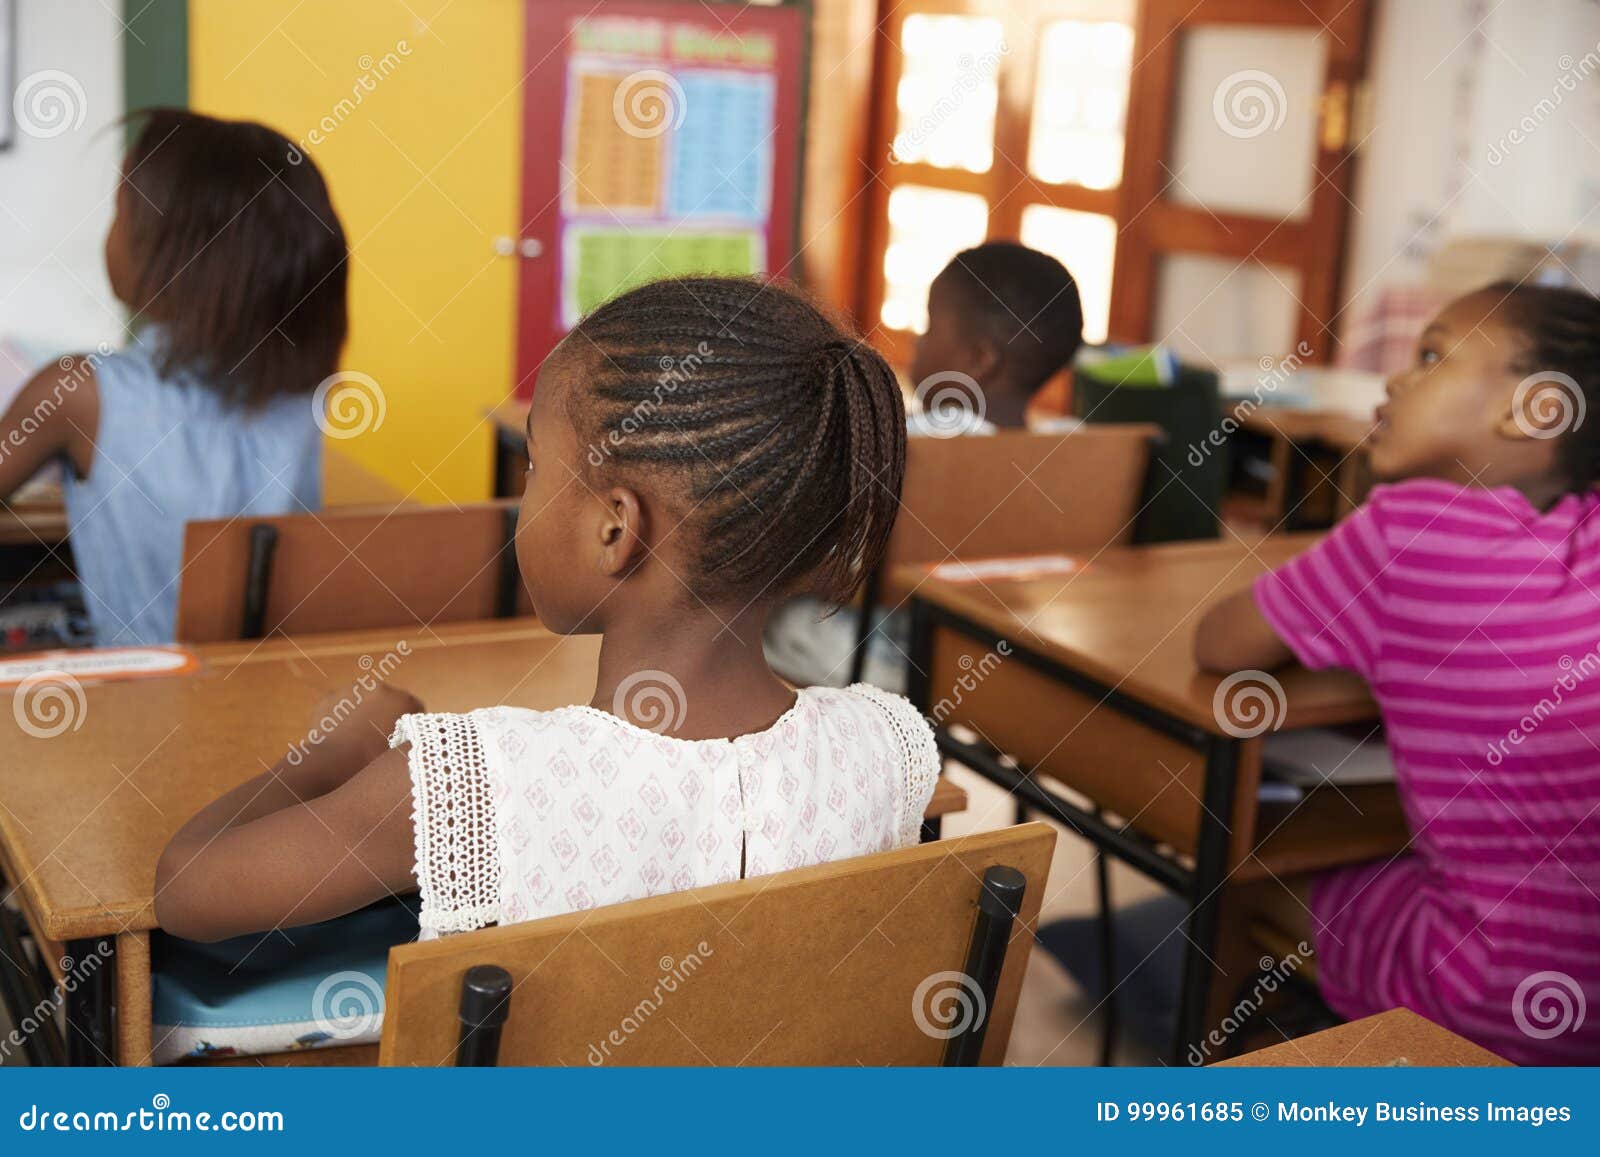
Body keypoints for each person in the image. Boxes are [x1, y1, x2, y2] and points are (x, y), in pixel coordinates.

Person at [155, 274, 938, 950]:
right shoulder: (887, 749)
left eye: (534, 463)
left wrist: (336, 746)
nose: (524, 489)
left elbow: (187, 891)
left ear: (614, 529)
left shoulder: (473, 783)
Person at [1195, 282, 1600, 1065]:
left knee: (1240, 874)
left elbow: (1222, 645)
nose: (1396, 379)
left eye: (1432, 356)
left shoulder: (1402, 532)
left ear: (1530, 410)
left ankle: (1234, 1056)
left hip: (1482, 992)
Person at [0, 109, 346, 644]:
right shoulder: (304, 391)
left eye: (120, 209)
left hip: (142, 708)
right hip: (281, 694)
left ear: (165, 247)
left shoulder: (78, 392)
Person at [907, 241, 1084, 433]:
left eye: (929, 326)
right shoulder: (1064, 440)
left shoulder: (906, 440)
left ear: (979, 360)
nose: (917, 340)